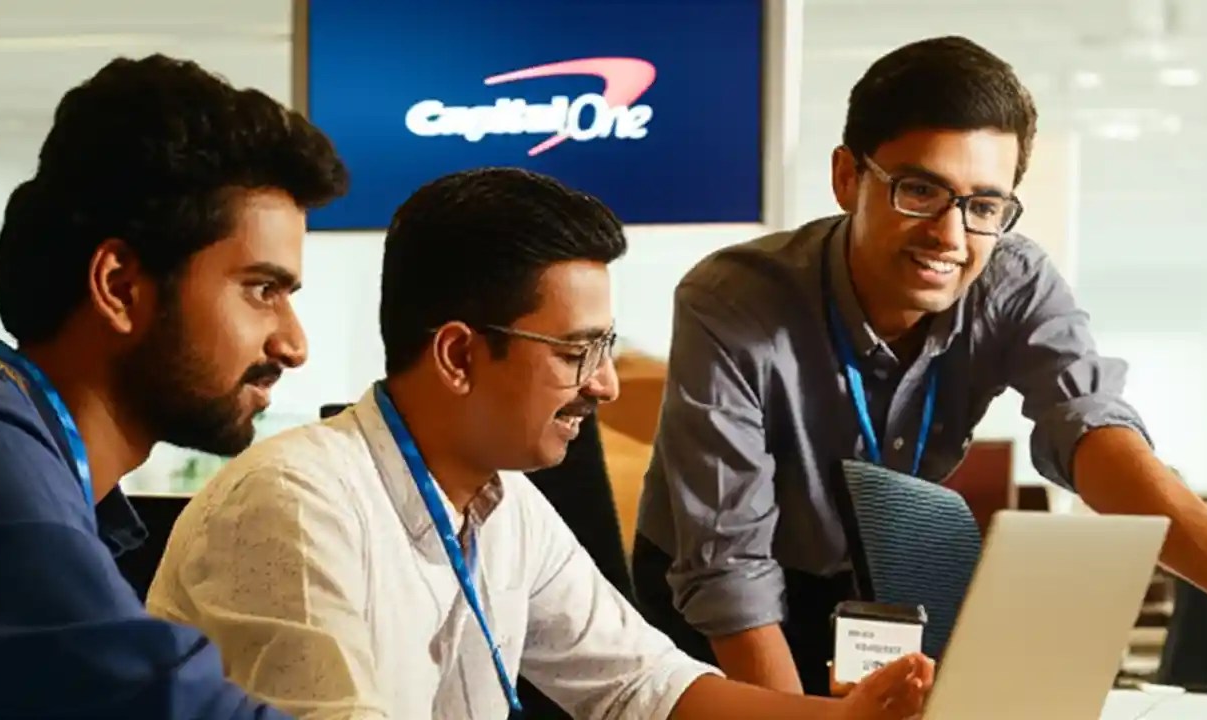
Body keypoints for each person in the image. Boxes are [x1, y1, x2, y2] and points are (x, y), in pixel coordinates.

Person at [146, 167, 934, 719]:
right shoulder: (294, 506)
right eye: (574, 353)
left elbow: (643, 687)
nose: (606, 385)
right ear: (457, 355)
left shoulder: (502, 502)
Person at [631, 34, 1207, 696]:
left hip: (878, 587)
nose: (950, 237)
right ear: (846, 178)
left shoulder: (1013, 279)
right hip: (710, 599)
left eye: (983, 205)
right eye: (919, 191)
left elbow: (1091, 429)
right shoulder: (731, 302)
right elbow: (726, 568)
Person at [0, 54, 349, 717]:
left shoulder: (52, 471)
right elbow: (166, 704)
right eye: (262, 289)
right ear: (119, 287)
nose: (293, 344)